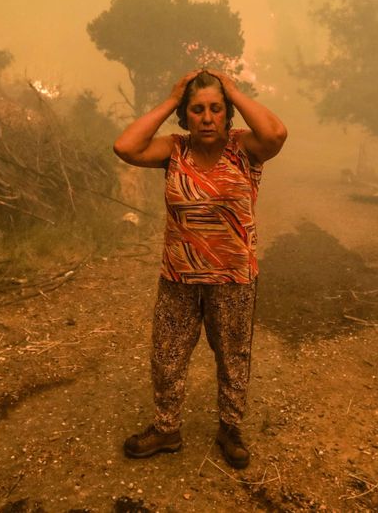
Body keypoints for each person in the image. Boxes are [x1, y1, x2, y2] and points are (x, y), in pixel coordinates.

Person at [112, 69, 287, 469]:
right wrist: (172, 99)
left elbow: (277, 134)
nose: (207, 118)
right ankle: (167, 429)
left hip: (233, 278)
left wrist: (235, 92)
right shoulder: (174, 150)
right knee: (167, 355)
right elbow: (125, 146)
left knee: (232, 356)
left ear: (227, 114)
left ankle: (229, 428)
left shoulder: (246, 148)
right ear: (185, 116)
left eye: (215, 109)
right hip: (179, 278)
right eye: (196, 110)